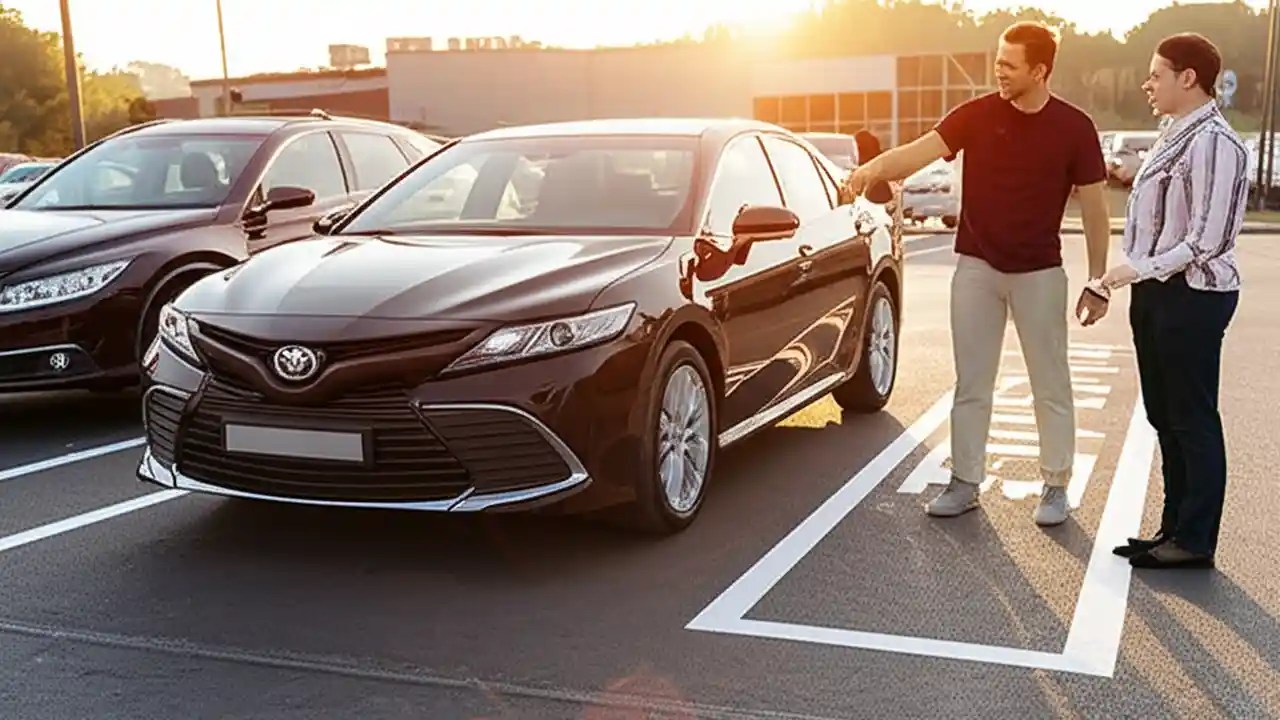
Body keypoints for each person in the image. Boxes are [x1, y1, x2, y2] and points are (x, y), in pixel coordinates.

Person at [844, 21, 1113, 526]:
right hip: (976, 269)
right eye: (998, 60)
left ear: (1040, 70)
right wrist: (873, 169)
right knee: (972, 383)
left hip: (1040, 273)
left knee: (1050, 382)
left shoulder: (1074, 127)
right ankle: (965, 481)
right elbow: (919, 151)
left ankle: (1055, 485)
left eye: (1010, 65)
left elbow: (1096, 211)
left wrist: (1097, 281)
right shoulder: (977, 115)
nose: (999, 71)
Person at [1101, 33, 1248, 569]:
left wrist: (1131, 270)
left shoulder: (1214, 141)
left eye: (1157, 73)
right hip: (1156, 290)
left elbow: (1206, 240)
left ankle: (1194, 539)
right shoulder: (1172, 133)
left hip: (1193, 294)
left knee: (1192, 416)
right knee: (1164, 413)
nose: (1148, 83)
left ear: (1189, 78)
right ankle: (1172, 528)